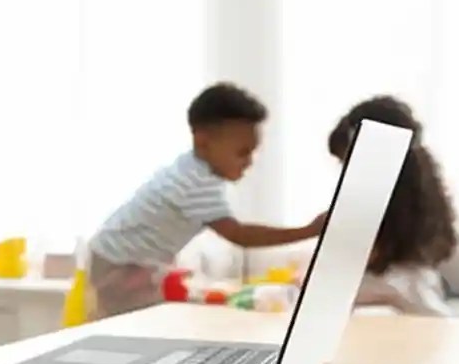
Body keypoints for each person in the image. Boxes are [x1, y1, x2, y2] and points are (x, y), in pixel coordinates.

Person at [87, 82, 326, 319]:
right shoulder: (194, 183)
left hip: (124, 260)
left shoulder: (192, 170)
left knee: (148, 320)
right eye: (242, 152)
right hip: (119, 265)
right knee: (135, 327)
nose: (249, 162)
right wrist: (309, 230)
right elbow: (240, 235)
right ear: (203, 142)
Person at [328, 96, 459, 316]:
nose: (344, 170)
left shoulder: (383, 192)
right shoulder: (422, 182)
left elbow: (366, 255)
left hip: (397, 285)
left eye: (345, 161)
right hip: (415, 281)